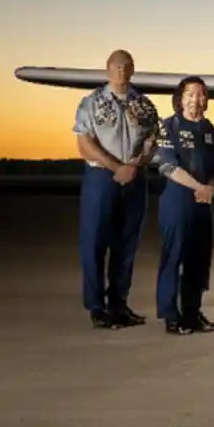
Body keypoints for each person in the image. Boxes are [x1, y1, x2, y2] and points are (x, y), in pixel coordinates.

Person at [72, 49, 159, 329]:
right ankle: (97, 307)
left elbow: (152, 141)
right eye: (116, 66)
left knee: (126, 244)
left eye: (126, 66)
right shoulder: (92, 102)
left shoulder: (144, 105)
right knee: (95, 242)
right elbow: (84, 143)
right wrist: (115, 167)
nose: (121, 71)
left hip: (135, 178)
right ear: (108, 69)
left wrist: (136, 164)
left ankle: (119, 304)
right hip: (102, 178)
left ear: (133, 69)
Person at [151, 76, 214, 335]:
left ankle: (193, 313)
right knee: (175, 257)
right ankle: (171, 315)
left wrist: (212, 187)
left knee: (199, 258)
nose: (197, 99)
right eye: (191, 94)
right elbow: (168, 166)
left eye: (202, 94)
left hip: (203, 201)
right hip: (178, 199)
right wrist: (199, 187)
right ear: (181, 98)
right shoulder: (168, 126)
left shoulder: (208, 129)